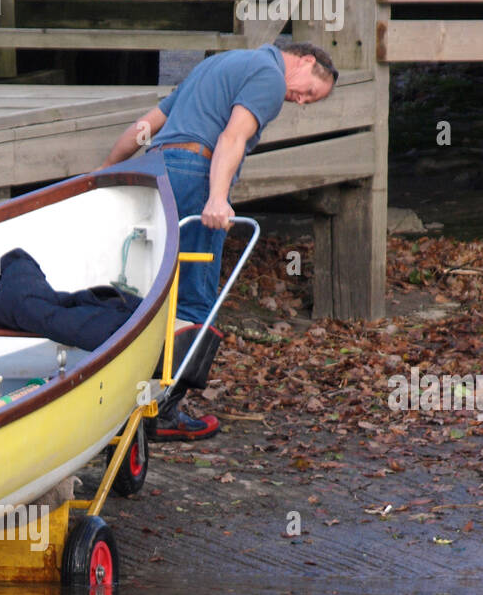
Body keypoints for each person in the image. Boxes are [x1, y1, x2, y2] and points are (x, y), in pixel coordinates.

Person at [101, 42, 338, 439]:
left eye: (307, 102)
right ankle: (163, 410)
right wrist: (216, 197)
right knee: (195, 298)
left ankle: (121, 394)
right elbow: (232, 139)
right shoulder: (268, 75)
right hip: (193, 174)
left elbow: (145, 127)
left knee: (146, 286)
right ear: (307, 61)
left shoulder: (216, 66)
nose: (298, 100)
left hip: (153, 169)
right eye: (308, 92)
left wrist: (107, 169)